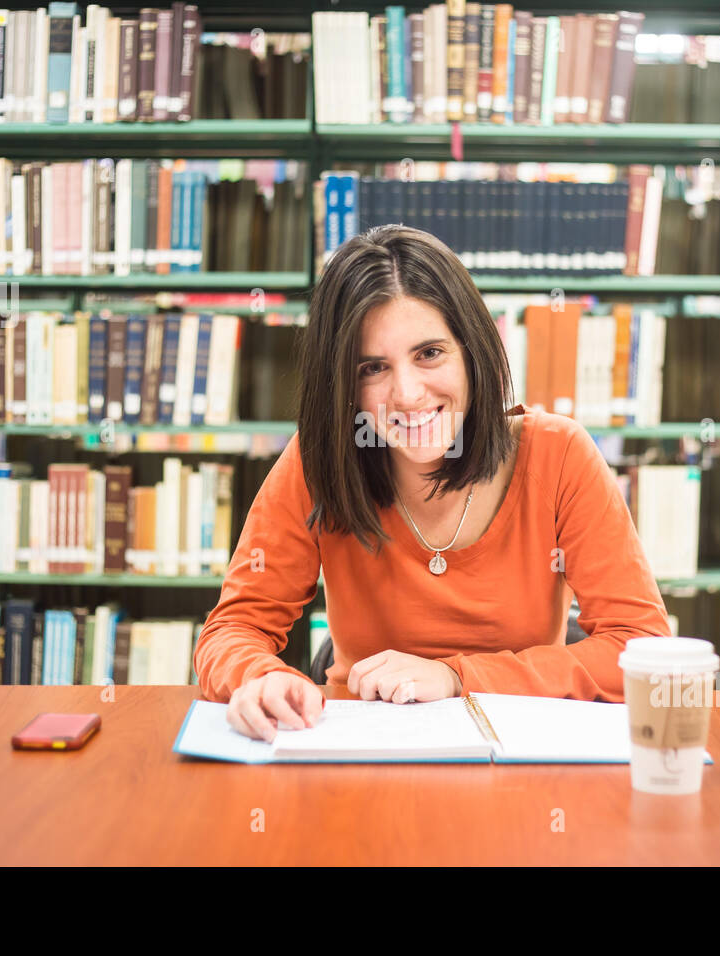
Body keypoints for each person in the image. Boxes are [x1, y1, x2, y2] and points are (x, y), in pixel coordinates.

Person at [194, 224, 671, 741]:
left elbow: (640, 645)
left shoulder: (558, 455)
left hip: (514, 756)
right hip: (359, 751)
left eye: (429, 353)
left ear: (473, 350)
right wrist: (260, 679)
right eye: (372, 367)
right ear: (343, 387)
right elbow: (232, 630)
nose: (408, 394)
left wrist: (456, 677)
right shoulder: (320, 459)